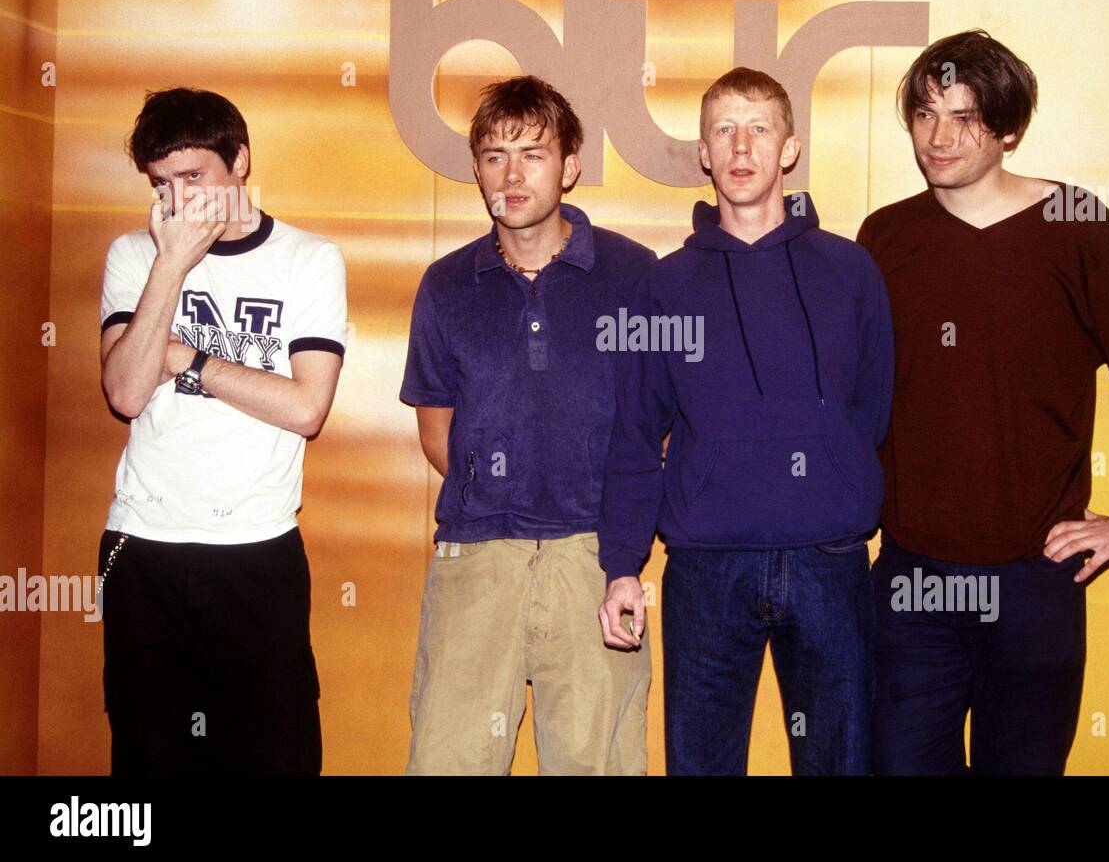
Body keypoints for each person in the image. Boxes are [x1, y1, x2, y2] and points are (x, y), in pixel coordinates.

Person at [857, 29, 1109, 775]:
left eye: (965, 116)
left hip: (1033, 582)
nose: (939, 136)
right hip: (911, 577)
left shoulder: (1075, 225)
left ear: (1010, 128)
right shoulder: (885, 237)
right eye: (924, 114)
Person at [598, 67, 894, 775]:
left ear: (789, 148)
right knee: (700, 765)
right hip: (705, 565)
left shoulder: (852, 270)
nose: (741, 146)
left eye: (759, 127)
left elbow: (874, 410)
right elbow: (636, 434)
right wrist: (620, 567)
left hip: (830, 562)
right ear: (703, 152)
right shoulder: (664, 285)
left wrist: (828, 483)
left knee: (839, 765)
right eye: (723, 129)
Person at [401, 75, 655, 775]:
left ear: (570, 166)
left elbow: (654, 424)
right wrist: (505, 497)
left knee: (597, 762)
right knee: (447, 759)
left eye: (532, 153)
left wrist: (612, 536)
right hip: (477, 556)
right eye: (493, 155)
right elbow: (436, 431)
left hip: (596, 559)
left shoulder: (633, 274)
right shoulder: (447, 283)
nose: (510, 175)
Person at [98, 87, 347, 774]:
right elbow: (123, 391)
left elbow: (306, 408)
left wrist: (189, 358)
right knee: (148, 759)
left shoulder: (308, 258)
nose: (178, 201)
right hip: (144, 545)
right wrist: (172, 263)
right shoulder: (134, 256)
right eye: (161, 184)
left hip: (255, 547)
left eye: (194, 176)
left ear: (239, 160)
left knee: (276, 753)